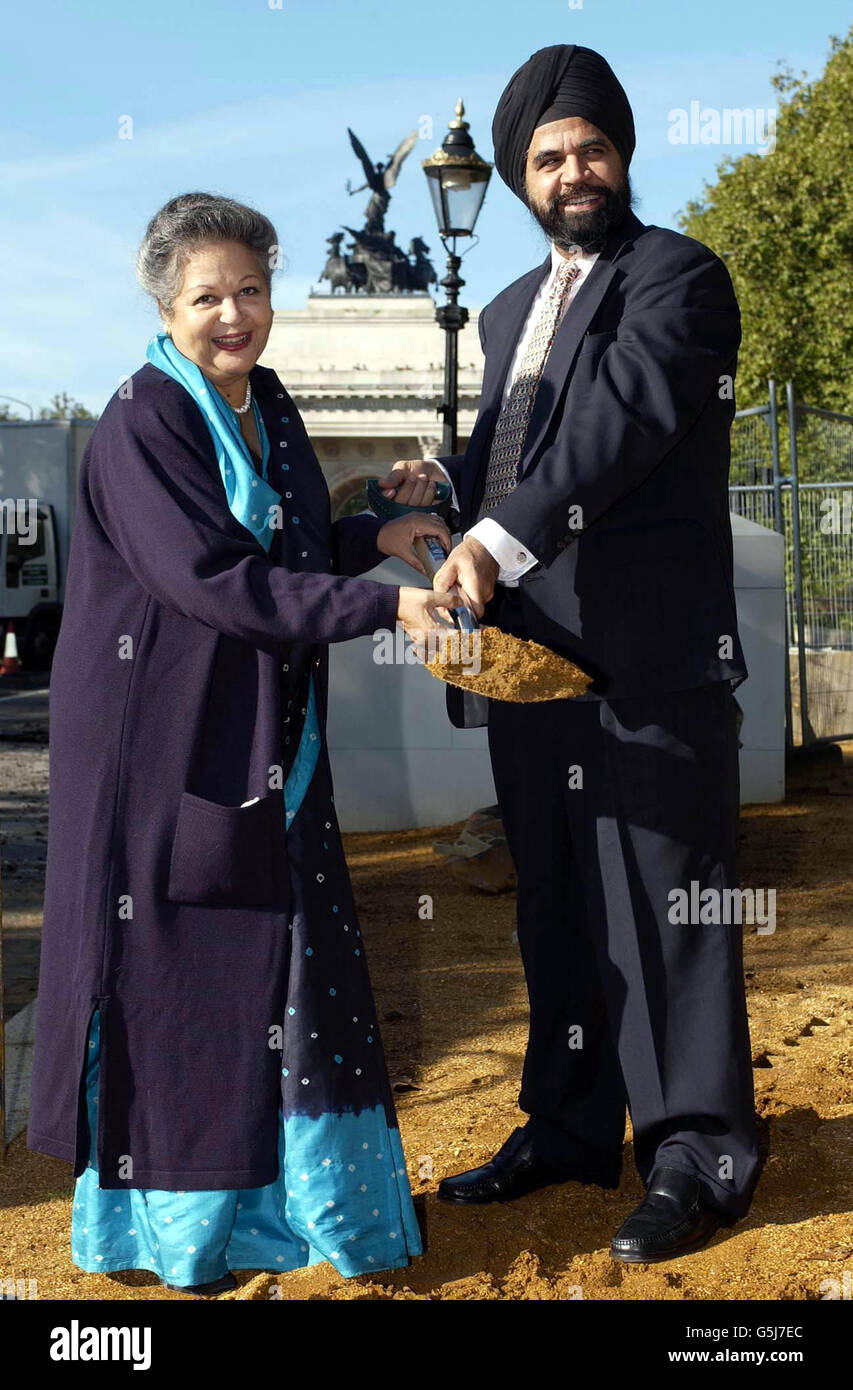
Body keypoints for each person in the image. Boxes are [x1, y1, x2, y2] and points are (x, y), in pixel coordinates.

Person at [27, 192, 456, 1295]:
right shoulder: (142, 420)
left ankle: (307, 1209)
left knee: (291, 956)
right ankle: (181, 1232)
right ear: (166, 305)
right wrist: (381, 609)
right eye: (207, 295)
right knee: (185, 977)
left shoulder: (266, 401)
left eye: (251, 289)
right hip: (159, 748)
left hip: (263, 730)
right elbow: (211, 577)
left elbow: (290, 536)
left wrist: (377, 534)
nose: (234, 314)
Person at [379, 44, 759, 1263]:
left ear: (625, 153)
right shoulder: (504, 312)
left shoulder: (676, 280)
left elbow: (616, 423)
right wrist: (443, 480)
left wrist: (492, 537)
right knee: (556, 905)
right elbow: (520, 440)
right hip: (530, 666)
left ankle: (697, 1149)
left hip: (649, 664)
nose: (572, 168)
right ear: (519, 176)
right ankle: (571, 1124)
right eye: (547, 156)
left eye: (590, 145)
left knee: (666, 910)